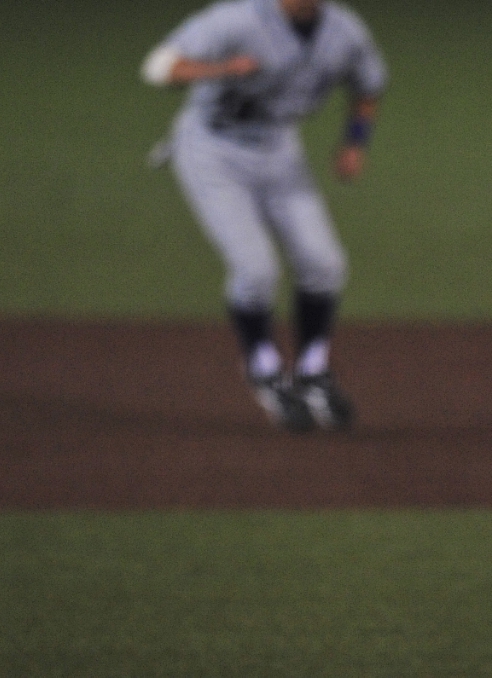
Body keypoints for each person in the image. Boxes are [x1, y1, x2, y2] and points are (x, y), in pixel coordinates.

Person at [140, 0, 388, 431]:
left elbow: (368, 85)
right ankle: (263, 367)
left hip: (278, 152)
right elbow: (159, 68)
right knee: (255, 271)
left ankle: (312, 370)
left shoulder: (344, 31)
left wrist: (355, 143)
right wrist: (218, 71)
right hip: (213, 153)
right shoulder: (236, 20)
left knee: (324, 265)